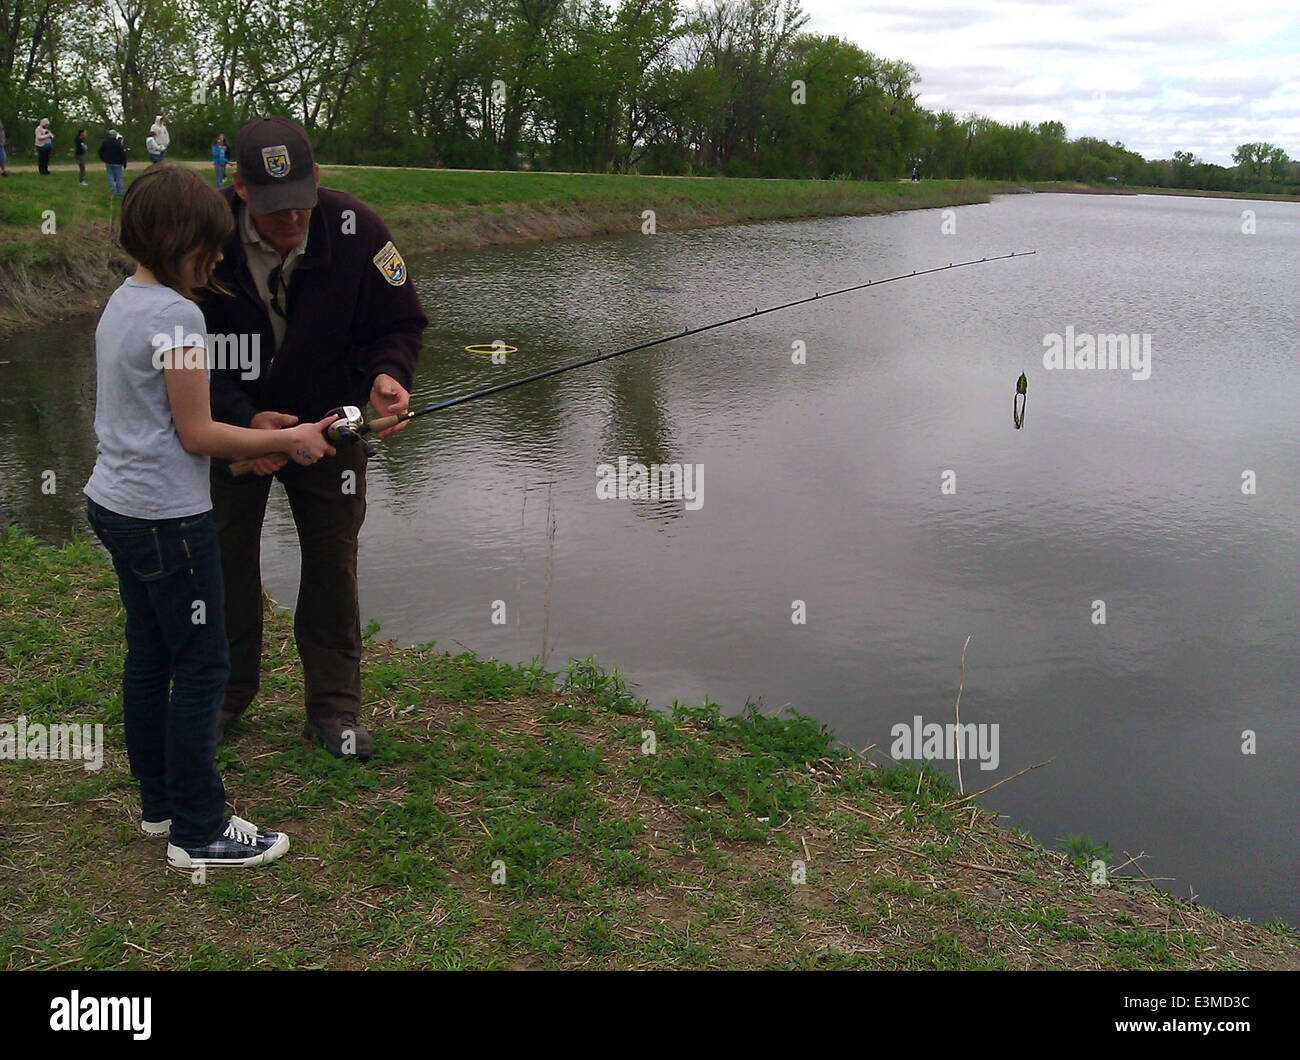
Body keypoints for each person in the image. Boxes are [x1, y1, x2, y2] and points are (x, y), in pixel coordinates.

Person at [84, 164, 337, 870]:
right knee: (202, 666)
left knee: (150, 655)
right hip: (168, 521)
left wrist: (243, 450)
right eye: (210, 244)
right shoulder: (178, 315)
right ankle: (198, 830)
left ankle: (160, 804)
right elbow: (199, 432)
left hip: (116, 505)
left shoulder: (122, 302)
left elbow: (161, 429)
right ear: (179, 240)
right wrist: (286, 439)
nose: (220, 257)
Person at [199, 115, 427, 761]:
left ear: (317, 179)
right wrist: (243, 420)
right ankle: (223, 695)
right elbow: (179, 347)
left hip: (332, 427)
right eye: (273, 210)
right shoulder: (202, 236)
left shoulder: (360, 231)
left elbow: (401, 321)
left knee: (332, 565)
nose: (290, 220)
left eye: (300, 203)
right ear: (240, 187)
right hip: (230, 431)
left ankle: (333, 710)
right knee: (223, 561)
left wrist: (388, 376)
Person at [98, 129, 127, 194]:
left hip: (109, 162)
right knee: (119, 177)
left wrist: (104, 159)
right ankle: (119, 191)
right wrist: (124, 162)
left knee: (110, 176)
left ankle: (113, 190)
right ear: (115, 135)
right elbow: (122, 154)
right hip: (118, 163)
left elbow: (100, 152)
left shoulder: (105, 143)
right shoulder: (118, 143)